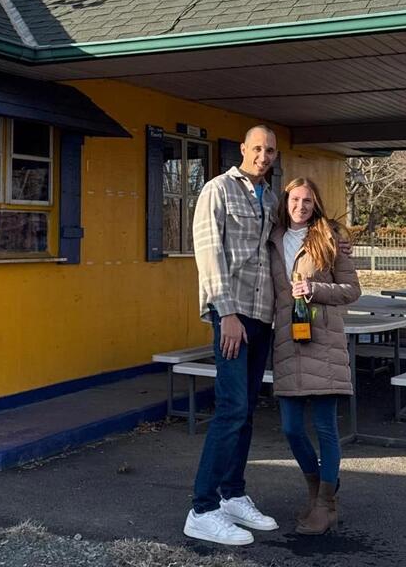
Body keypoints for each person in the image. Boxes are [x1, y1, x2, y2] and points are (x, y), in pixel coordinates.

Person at [183, 125, 281, 547]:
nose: (263, 155)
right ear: (243, 149)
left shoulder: (272, 197)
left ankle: (232, 493)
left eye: (270, 150)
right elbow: (209, 254)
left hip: (261, 316)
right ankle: (201, 509)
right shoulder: (217, 190)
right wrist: (225, 312)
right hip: (233, 314)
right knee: (231, 408)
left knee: (247, 411)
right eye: (257, 148)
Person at [268, 177, 361, 535]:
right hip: (288, 341)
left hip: (323, 341)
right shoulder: (273, 239)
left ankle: (325, 504)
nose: (300, 206)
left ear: (315, 204)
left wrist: (315, 289)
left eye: (307, 201)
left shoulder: (330, 237)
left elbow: (352, 290)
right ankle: (318, 488)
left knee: (325, 428)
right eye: (295, 199)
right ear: (285, 202)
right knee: (291, 428)